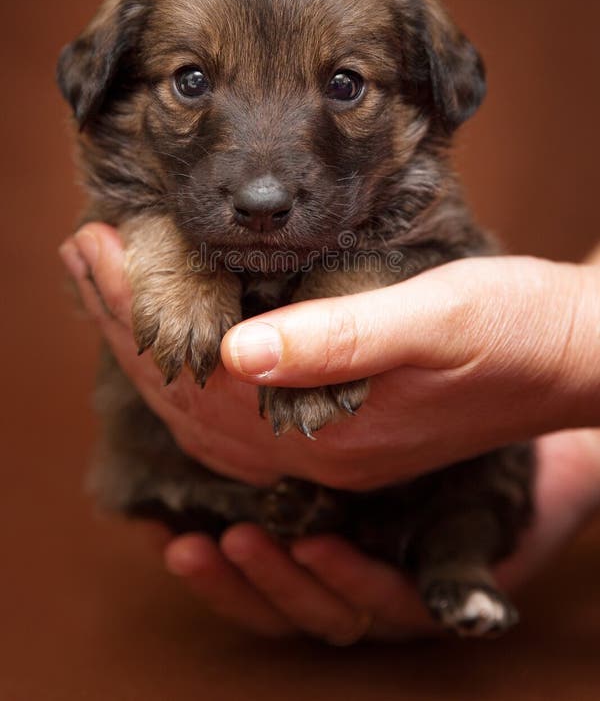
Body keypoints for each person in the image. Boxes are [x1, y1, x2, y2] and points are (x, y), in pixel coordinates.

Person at [59, 226, 600, 644]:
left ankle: (454, 568)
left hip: (436, 486)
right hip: (210, 493)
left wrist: (575, 336)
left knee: (472, 509)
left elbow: (427, 249)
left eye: (344, 85)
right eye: (194, 79)